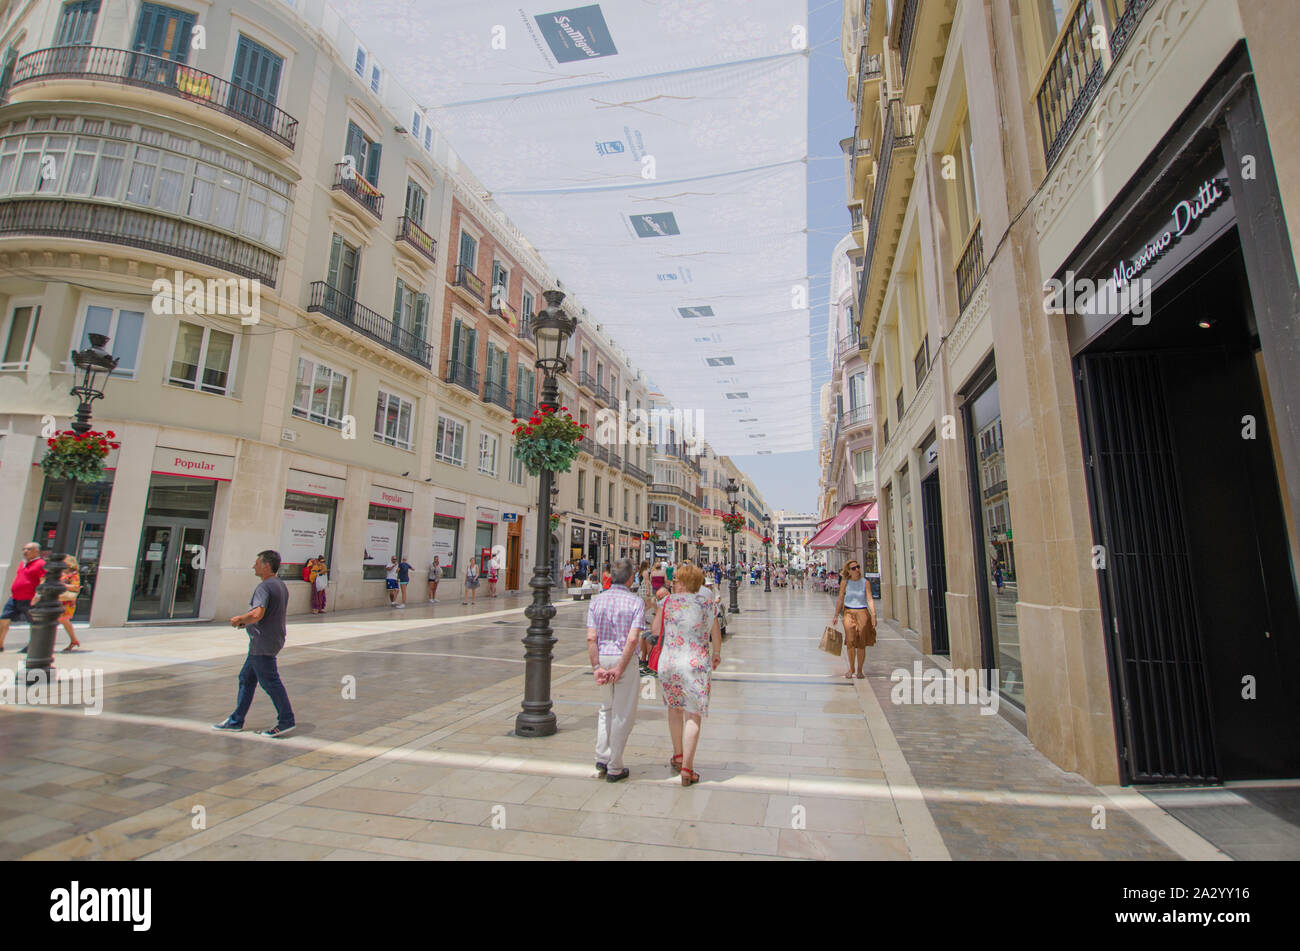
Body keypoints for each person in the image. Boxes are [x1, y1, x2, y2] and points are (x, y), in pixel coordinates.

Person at [213, 550, 296, 737]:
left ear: (266, 566)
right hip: (268, 640)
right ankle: (236, 720)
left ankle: (286, 720)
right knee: (246, 678)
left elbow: (257, 614)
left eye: (257, 563)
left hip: (263, 642)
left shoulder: (265, 587)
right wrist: (247, 622)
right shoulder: (280, 585)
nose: (254, 566)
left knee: (270, 682)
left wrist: (239, 619)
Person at [653, 563, 722, 786]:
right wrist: (717, 654)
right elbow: (715, 633)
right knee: (693, 714)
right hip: (695, 664)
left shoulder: (668, 601)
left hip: (669, 663)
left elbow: (655, 630)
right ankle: (687, 769)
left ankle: (678, 754)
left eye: (675, 581)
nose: (672, 584)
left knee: (674, 708)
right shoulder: (707, 603)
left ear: (683, 582)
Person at [586, 558, 644, 783]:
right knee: (623, 712)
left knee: (605, 709)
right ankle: (615, 766)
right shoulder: (635, 602)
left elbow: (591, 637)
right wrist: (621, 667)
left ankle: (602, 756)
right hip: (624, 660)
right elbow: (632, 639)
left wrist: (596, 667)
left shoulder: (596, 601)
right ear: (631, 578)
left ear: (610, 577)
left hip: (602, 657)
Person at [833, 560, 877, 679]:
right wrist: (836, 614)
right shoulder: (845, 582)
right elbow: (840, 598)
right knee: (850, 641)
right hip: (848, 612)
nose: (857, 569)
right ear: (848, 571)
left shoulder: (865, 582)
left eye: (858, 567)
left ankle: (859, 670)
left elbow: (869, 599)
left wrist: (873, 615)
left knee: (861, 642)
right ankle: (851, 668)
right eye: (853, 568)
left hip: (862, 612)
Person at [0, 542, 45, 652]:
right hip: (14, 598)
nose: (25, 551)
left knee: (33, 622)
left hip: (30, 599)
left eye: (28, 549)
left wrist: (38, 595)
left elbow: (44, 580)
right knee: (4, 619)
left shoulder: (41, 563)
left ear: (37, 551)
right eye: (24, 549)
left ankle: (32, 646)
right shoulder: (22, 563)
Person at [56, 555, 82, 651]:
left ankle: (46, 642)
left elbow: (75, 587)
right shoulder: (59, 572)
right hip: (57, 600)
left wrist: (62, 584)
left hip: (66, 601)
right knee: (63, 621)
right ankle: (73, 640)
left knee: (59, 620)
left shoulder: (73, 574)